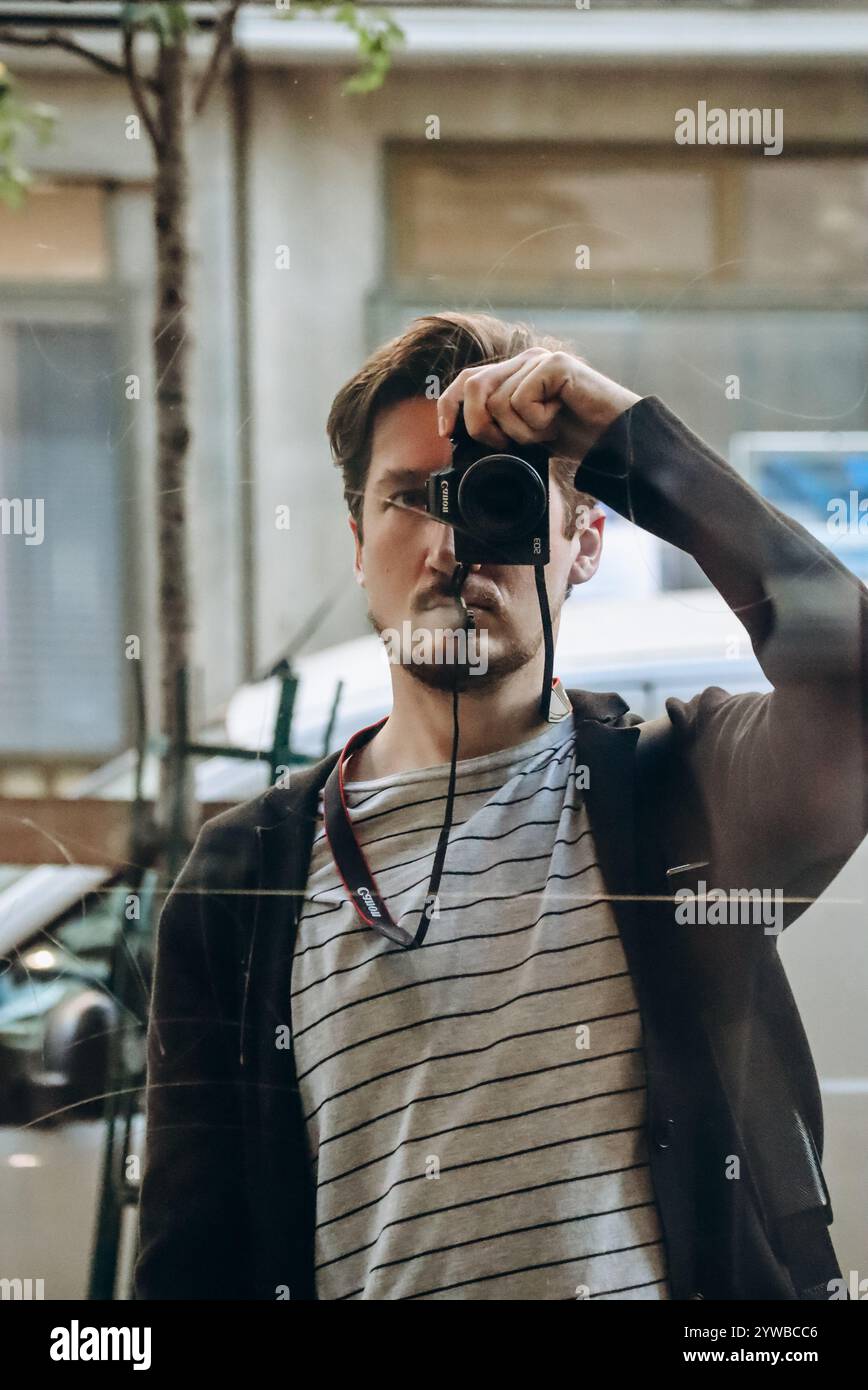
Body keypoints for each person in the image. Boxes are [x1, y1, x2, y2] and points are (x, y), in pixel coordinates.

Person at [134, 311, 867, 1301]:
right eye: (409, 498)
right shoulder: (241, 880)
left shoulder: (682, 793)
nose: (451, 541)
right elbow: (190, 1266)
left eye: (499, 496)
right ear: (357, 543)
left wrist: (631, 444)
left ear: (586, 540)